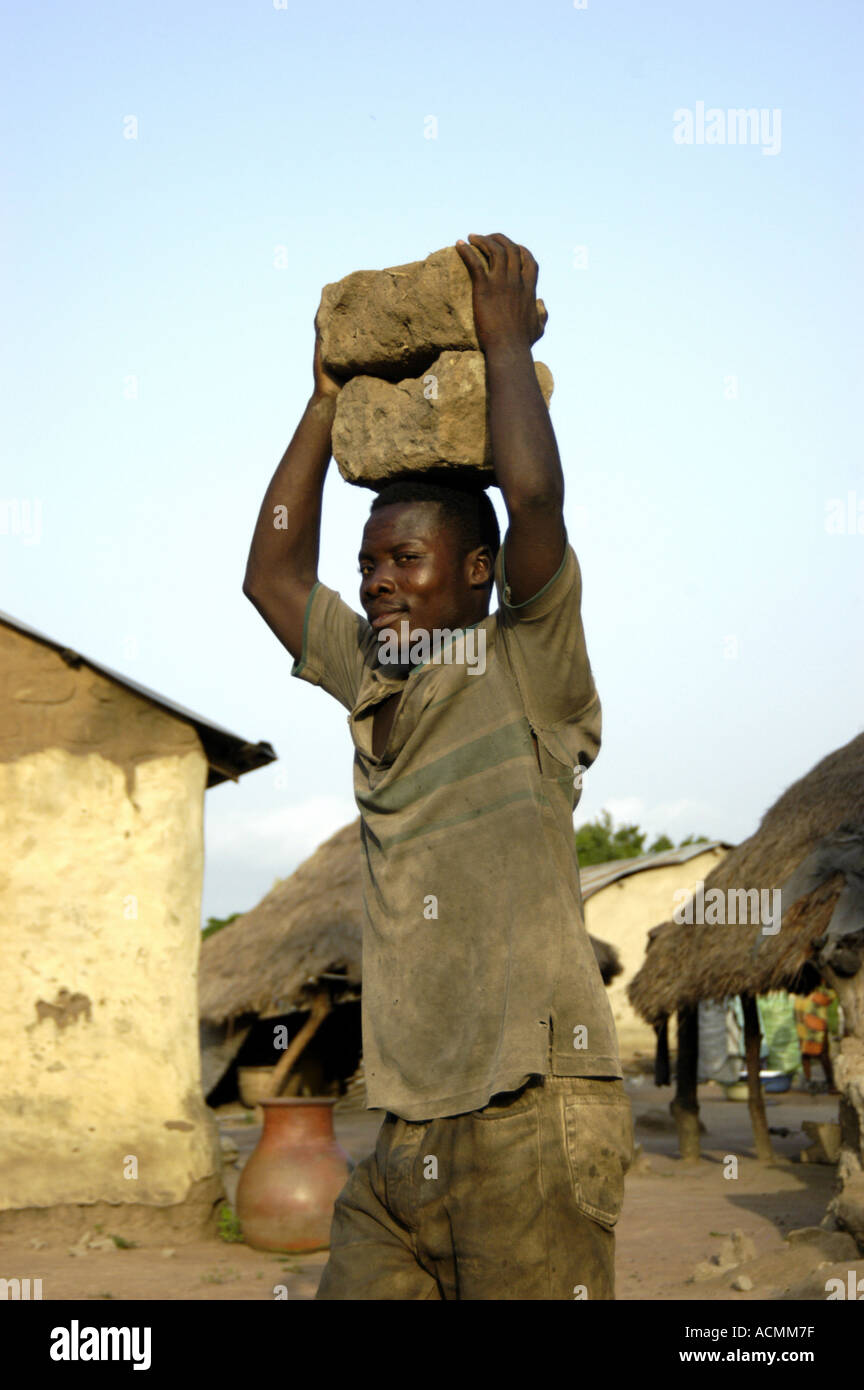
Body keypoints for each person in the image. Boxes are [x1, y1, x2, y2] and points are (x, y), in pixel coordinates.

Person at [243, 232, 633, 1300]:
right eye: (368, 565)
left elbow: (537, 507)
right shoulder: (373, 677)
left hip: (531, 1112)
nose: (375, 585)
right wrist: (324, 403)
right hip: (404, 1140)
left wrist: (505, 344)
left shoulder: (524, 666)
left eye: (403, 561)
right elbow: (271, 569)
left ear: (475, 572)